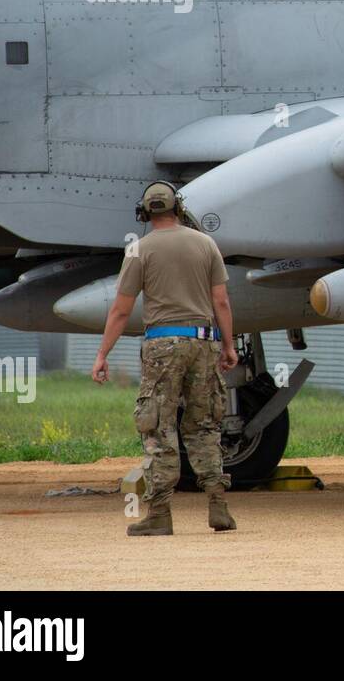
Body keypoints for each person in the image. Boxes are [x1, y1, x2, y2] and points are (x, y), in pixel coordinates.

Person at [91, 182, 240, 535]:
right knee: (204, 426)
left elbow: (121, 310)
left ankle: (160, 514)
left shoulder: (138, 250)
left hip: (162, 346)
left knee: (159, 426)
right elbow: (221, 302)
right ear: (178, 207)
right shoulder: (206, 244)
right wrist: (229, 346)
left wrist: (102, 354)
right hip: (204, 342)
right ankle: (219, 508)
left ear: (145, 213)